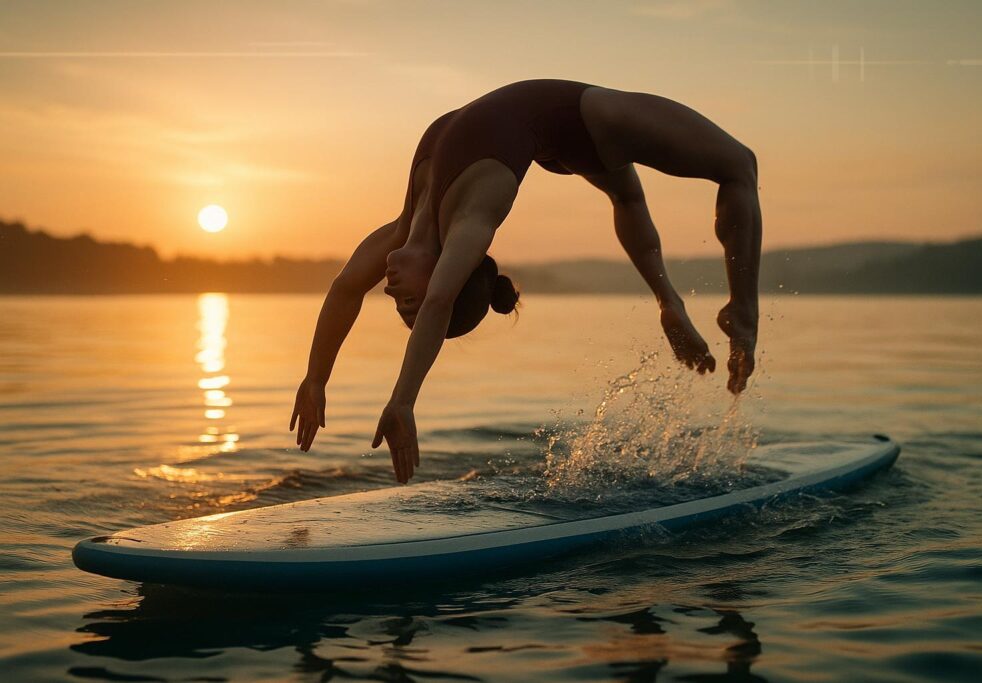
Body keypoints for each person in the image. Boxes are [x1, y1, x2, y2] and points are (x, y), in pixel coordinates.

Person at [290, 79, 762, 483]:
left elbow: (346, 289)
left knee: (628, 196)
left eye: (401, 305)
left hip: (557, 137)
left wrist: (316, 378)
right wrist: (404, 402)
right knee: (739, 164)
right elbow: (437, 303)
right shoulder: (473, 216)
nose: (392, 293)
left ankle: (670, 302)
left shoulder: (405, 225)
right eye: (407, 300)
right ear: (450, 274)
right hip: (584, 115)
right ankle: (741, 313)